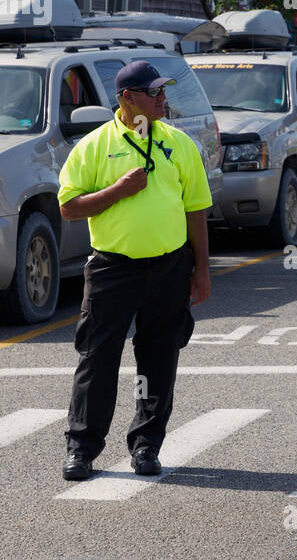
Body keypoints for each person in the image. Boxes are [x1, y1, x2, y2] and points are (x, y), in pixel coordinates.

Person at [57, 60, 213, 481]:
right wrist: (118, 191)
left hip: (170, 266)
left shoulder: (179, 144)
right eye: (154, 93)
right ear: (128, 98)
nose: (164, 99)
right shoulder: (93, 146)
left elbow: (196, 210)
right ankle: (82, 449)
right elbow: (68, 207)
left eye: (164, 92)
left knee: (159, 356)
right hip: (113, 268)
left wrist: (201, 269)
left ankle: (146, 445)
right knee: (97, 358)